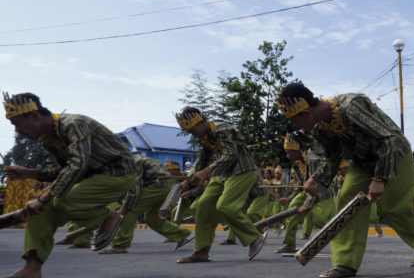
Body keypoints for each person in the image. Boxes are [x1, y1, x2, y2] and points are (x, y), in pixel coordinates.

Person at [277, 81, 414, 278]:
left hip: (395, 154)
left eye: (294, 121)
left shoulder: (351, 106)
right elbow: (333, 156)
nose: (295, 126)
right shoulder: (321, 129)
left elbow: (388, 140)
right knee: (345, 200)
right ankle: (345, 263)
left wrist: (380, 178)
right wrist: (316, 177)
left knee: (391, 207)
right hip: (362, 162)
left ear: (305, 114)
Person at [1, 92, 136, 278]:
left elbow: (78, 164)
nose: (17, 130)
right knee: (39, 212)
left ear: (35, 117)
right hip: (90, 179)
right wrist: (29, 173)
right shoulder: (48, 139)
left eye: (17, 124)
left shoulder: (74, 124)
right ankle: (32, 269)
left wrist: (46, 197)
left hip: (118, 173)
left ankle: (109, 217)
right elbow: (64, 171)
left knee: (58, 199)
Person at [174, 107, 266, 263]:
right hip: (221, 174)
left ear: (201, 121)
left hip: (241, 170)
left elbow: (231, 154)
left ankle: (254, 237)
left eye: (192, 129)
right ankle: (201, 251)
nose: (192, 134)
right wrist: (187, 181)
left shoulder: (221, 128)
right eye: (188, 131)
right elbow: (202, 161)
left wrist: (206, 171)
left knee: (226, 206)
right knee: (201, 206)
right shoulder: (204, 137)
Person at [99, 155, 193, 254]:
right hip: (167, 186)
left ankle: (120, 245)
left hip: (157, 186)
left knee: (131, 211)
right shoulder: (137, 159)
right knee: (151, 218)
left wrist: (124, 208)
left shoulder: (131, 164)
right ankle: (181, 234)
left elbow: (134, 189)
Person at [274, 135, 336, 254]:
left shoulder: (312, 160)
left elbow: (315, 186)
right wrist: (289, 198)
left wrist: (306, 205)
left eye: (288, 152)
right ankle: (290, 244)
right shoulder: (296, 164)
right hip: (306, 192)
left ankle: (343, 243)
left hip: (322, 192)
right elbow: (302, 184)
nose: (287, 156)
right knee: (292, 210)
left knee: (318, 219)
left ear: (296, 149)